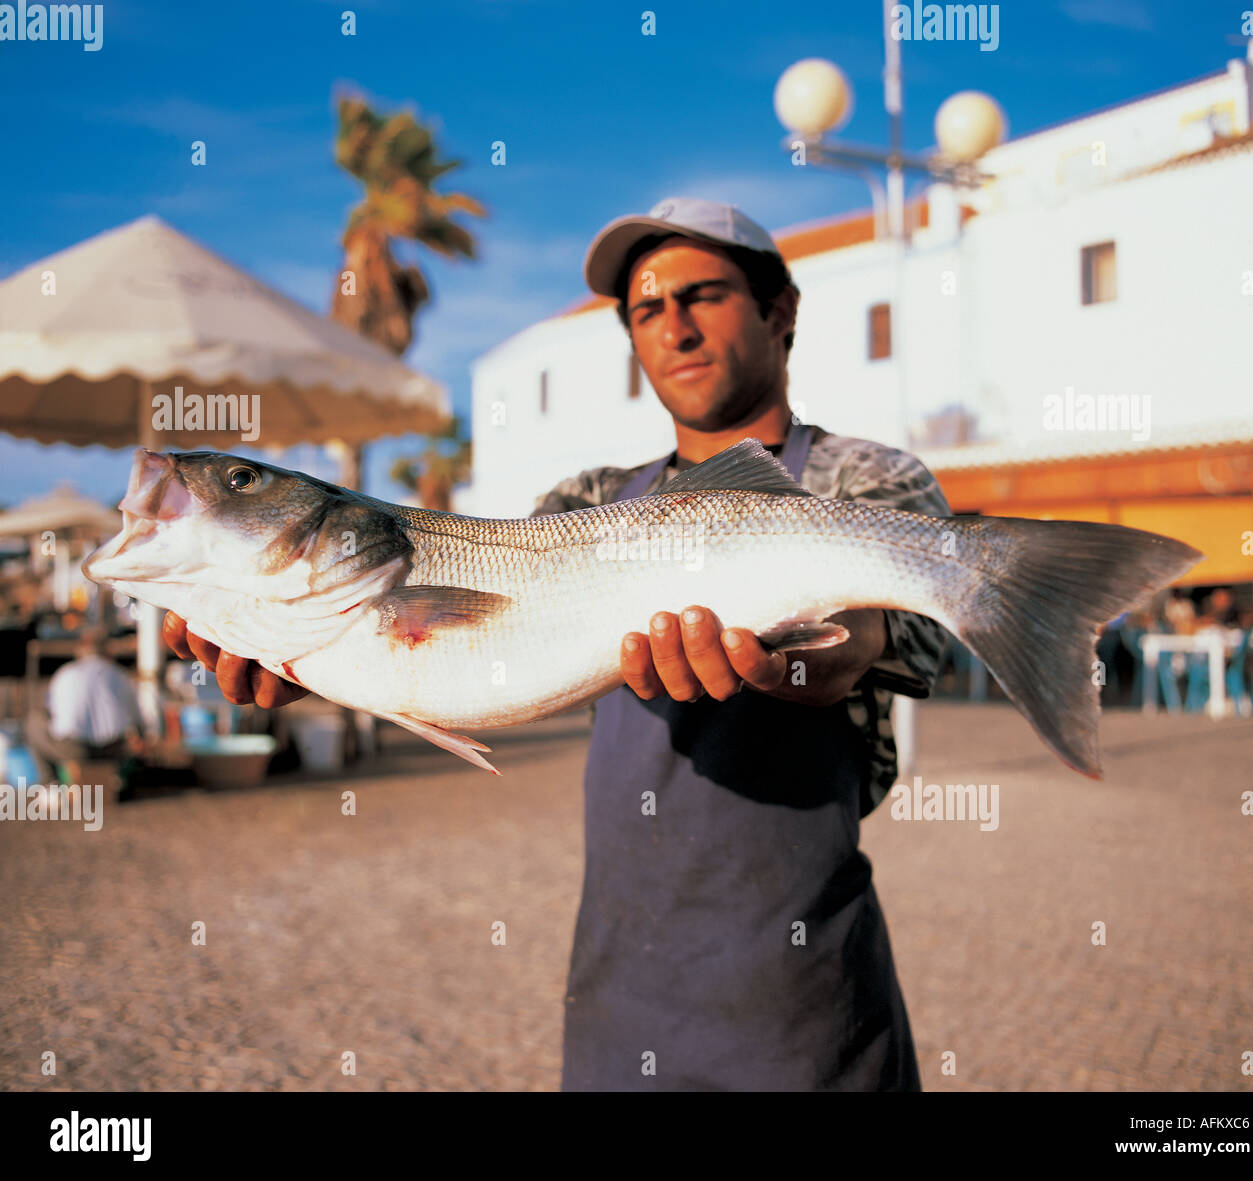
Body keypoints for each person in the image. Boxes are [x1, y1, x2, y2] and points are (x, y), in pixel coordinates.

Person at [163, 197, 952, 1091]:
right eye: (647, 310)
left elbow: (901, 640)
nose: (675, 327)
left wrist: (789, 659)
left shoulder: (870, 479)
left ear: (780, 312)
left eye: (703, 294)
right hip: (619, 998)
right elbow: (474, 643)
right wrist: (310, 652)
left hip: (805, 1005)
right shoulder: (586, 500)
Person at [26, 627, 143, 781]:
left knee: (32, 722)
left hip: (76, 748)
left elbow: (52, 713)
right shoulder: (120, 675)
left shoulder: (66, 673)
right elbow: (138, 720)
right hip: (113, 749)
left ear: (80, 651)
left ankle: (50, 784)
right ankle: (119, 779)